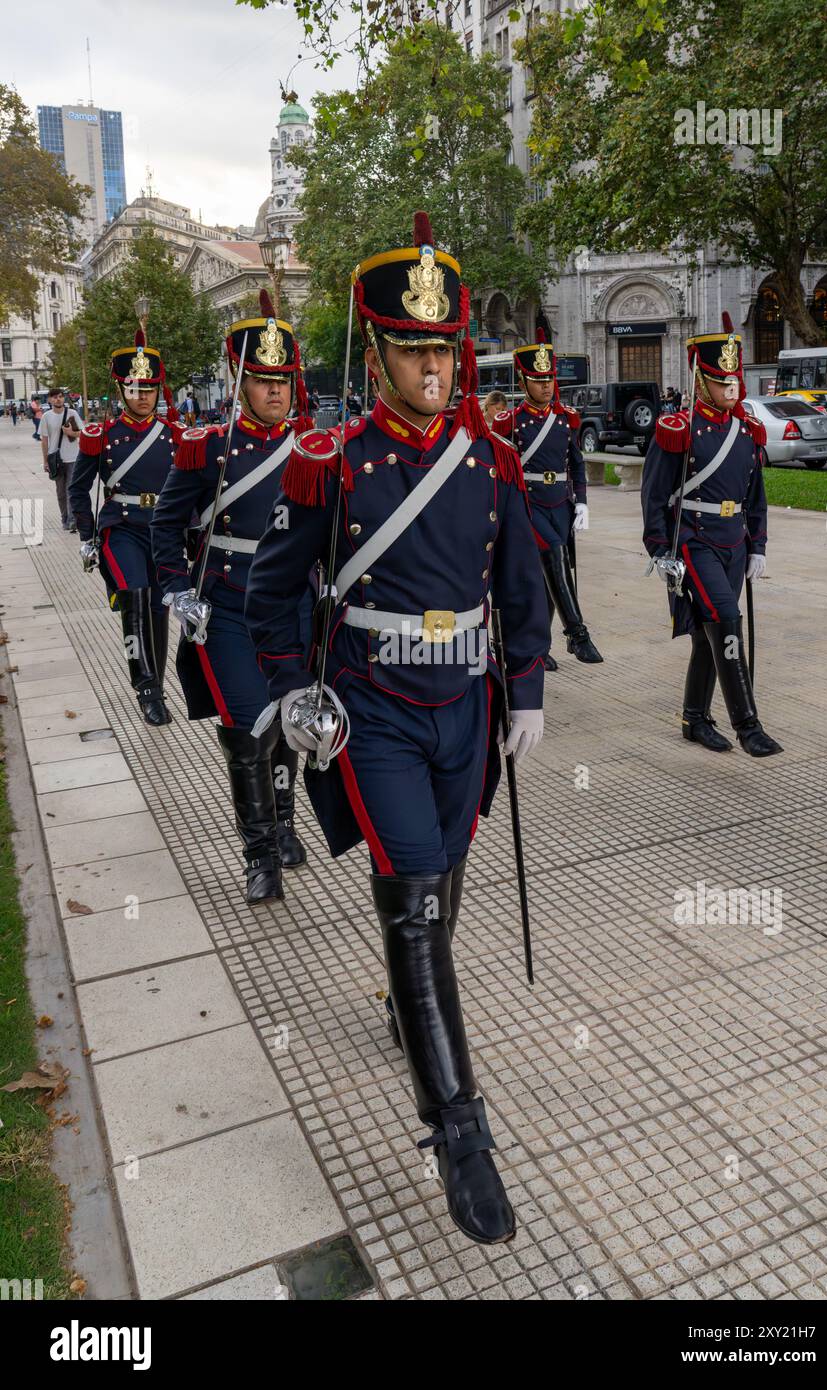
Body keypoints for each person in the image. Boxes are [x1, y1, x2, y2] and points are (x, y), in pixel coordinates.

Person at [244, 212, 549, 1246]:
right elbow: (271, 593)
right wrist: (290, 691)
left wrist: (528, 688)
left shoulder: (490, 457)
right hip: (372, 705)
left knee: (443, 880)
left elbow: (519, 584)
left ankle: (406, 1004)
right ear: (373, 350)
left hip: (462, 704)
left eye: (442, 348)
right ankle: (459, 1128)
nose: (430, 365)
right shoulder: (328, 461)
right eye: (411, 347)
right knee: (412, 897)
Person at [151, 292, 311, 904]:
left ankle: (287, 819)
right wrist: (175, 590)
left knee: (286, 722)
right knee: (247, 729)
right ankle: (260, 851)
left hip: (291, 607)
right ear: (240, 383)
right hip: (229, 605)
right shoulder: (208, 448)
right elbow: (167, 525)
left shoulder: (315, 450)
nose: (277, 393)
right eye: (264, 381)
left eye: (284, 381)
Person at [641, 311, 782, 757]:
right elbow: (654, 494)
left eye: (734, 382)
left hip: (733, 543)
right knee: (725, 619)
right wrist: (660, 548)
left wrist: (757, 545)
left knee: (708, 634)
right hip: (694, 540)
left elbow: (754, 497)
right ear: (702, 380)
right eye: (722, 383)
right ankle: (748, 725)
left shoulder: (747, 431)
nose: (730, 390)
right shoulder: (678, 432)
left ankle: (694, 719)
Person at [68, 330, 182, 726]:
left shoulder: (175, 436)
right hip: (121, 529)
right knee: (134, 595)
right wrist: (86, 536)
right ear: (121, 389)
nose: (143, 395)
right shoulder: (102, 437)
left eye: (149, 388)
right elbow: (78, 489)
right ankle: (146, 688)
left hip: (163, 533)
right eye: (135, 388)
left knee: (158, 608)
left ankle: (159, 682)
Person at [491, 332, 603, 665]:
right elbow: (499, 469)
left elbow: (577, 463)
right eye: (539, 380)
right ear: (524, 382)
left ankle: (539, 648)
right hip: (529, 504)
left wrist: (581, 502)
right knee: (553, 557)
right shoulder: (509, 422)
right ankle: (577, 634)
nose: (546, 386)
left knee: (552, 578)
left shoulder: (565, 419)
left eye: (550, 379)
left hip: (560, 505)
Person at [40, 388, 84, 531]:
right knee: (60, 492)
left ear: (63, 399)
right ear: (49, 400)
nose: (58, 399)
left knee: (70, 489)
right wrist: (45, 460)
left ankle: (72, 520)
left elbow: (82, 434)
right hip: (56, 459)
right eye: (54, 397)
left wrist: (71, 432)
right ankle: (64, 518)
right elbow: (44, 440)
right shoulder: (46, 416)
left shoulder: (72, 413)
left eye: (60, 397)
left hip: (73, 458)